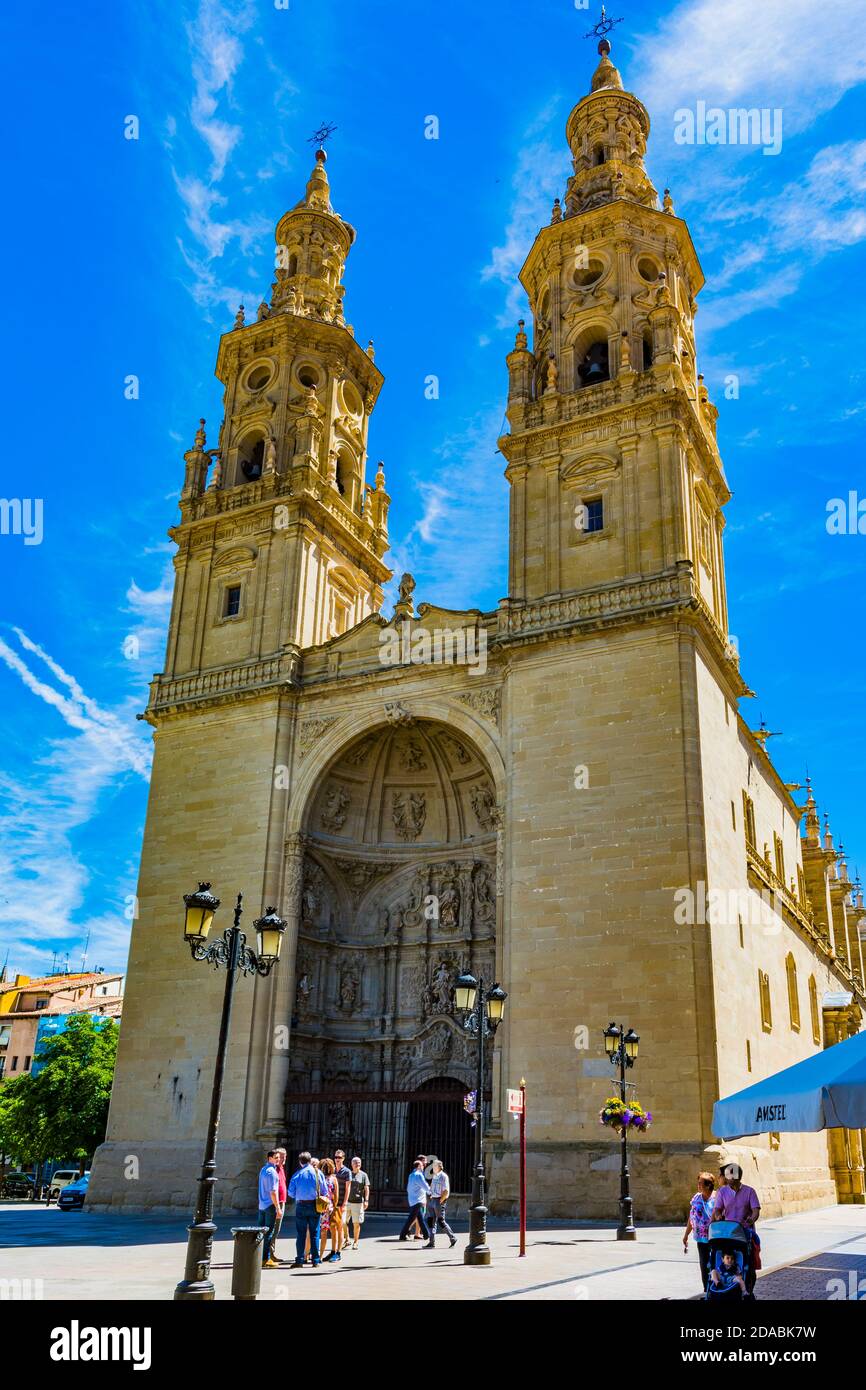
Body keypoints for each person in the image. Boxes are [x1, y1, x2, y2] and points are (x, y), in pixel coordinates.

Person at [714, 1162, 761, 1292]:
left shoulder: (749, 1191)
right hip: (728, 1233)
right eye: (728, 1176)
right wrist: (718, 1216)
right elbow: (717, 1209)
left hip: (745, 1232)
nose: (729, 1179)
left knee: (748, 1263)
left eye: (731, 1176)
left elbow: (755, 1210)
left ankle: (749, 1289)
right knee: (727, 1258)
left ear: (738, 1177)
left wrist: (752, 1218)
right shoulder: (722, 1192)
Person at [288, 1150, 324, 1268]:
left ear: (300, 1162)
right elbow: (324, 1191)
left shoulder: (297, 1175)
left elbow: (291, 1193)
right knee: (314, 1233)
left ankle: (299, 1259)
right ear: (310, 1161)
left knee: (301, 1233)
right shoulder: (318, 1173)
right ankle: (316, 1260)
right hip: (315, 1206)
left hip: (301, 1206)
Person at [682, 1171, 715, 1289]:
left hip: (715, 1237)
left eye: (701, 1183)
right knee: (703, 1265)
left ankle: (716, 1289)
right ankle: (707, 1290)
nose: (698, 1185)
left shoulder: (716, 1198)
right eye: (698, 1182)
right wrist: (686, 1235)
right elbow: (692, 1217)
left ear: (708, 1185)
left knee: (715, 1264)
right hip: (701, 1238)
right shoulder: (696, 1198)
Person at [257, 1149, 282, 1269]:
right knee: (269, 1233)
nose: (278, 1159)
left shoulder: (263, 1169)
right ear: (269, 1158)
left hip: (262, 1205)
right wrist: (278, 1208)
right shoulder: (272, 1172)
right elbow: (273, 1192)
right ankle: (265, 1259)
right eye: (275, 1157)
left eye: (278, 1157)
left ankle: (259, 1257)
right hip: (269, 1205)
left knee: (261, 1232)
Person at [398, 1159, 431, 1242]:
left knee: (418, 1218)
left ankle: (426, 1235)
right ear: (419, 1166)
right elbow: (425, 1186)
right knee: (415, 1219)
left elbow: (408, 1188)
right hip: (419, 1200)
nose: (423, 1167)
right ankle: (426, 1235)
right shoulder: (418, 1175)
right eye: (422, 1166)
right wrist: (431, 1192)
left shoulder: (411, 1175)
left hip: (412, 1200)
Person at [427, 1159, 457, 1248]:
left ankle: (453, 1238)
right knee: (430, 1221)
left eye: (434, 1166)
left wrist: (441, 1200)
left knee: (441, 1221)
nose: (433, 1167)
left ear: (439, 1167)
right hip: (433, 1200)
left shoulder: (444, 1176)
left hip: (439, 1200)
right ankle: (431, 1242)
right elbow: (431, 1187)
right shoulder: (434, 1176)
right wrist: (431, 1196)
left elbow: (446, 1190)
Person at [318, 1158, 339, 1262]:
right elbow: (336, 1196)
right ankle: (321, 1256)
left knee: (314, 1232)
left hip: (318, 1207)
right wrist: (334, 1207)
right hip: (328, 1208)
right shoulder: (333, 1179)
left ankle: (308, 1254)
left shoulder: (318, 1178)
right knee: (325, 1232)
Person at [331, 1149, 352, 1256]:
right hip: (332, 1203)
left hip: (341, 1203)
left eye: (339, 1157)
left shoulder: (347, 1171)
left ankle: (338, 1252)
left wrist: (344, 1203)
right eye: (336, 1157)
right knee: (332, 1227)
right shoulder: (333, 1170)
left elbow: (348, 1188)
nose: (337, 1159)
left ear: (343, 1158)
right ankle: (333, 1250)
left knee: (340, 1226)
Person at [347, 1156, 370, 1250]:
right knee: (343, 1222)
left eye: (359, 1163)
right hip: (347, 1202)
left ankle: (355, 1242)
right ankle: (347, 1239)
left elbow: (366, 1188)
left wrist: (366, 1200)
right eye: (355, 1162)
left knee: (356, 1223)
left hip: (358, 1203)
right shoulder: (348, 1174)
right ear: (352, 1164)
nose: (357, 1164)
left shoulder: (364, 1175)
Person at [273, 1147, 288, 1262]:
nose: (283, 1159)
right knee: (274, 1228)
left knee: (276, 1229)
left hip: (281, 1201)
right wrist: (277, 1206)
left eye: (284, 1156)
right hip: (276, 1203)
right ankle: (269, 1254)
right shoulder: (274, 1169)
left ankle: (270, 1252)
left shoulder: (281, 1168)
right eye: (281, 1157)